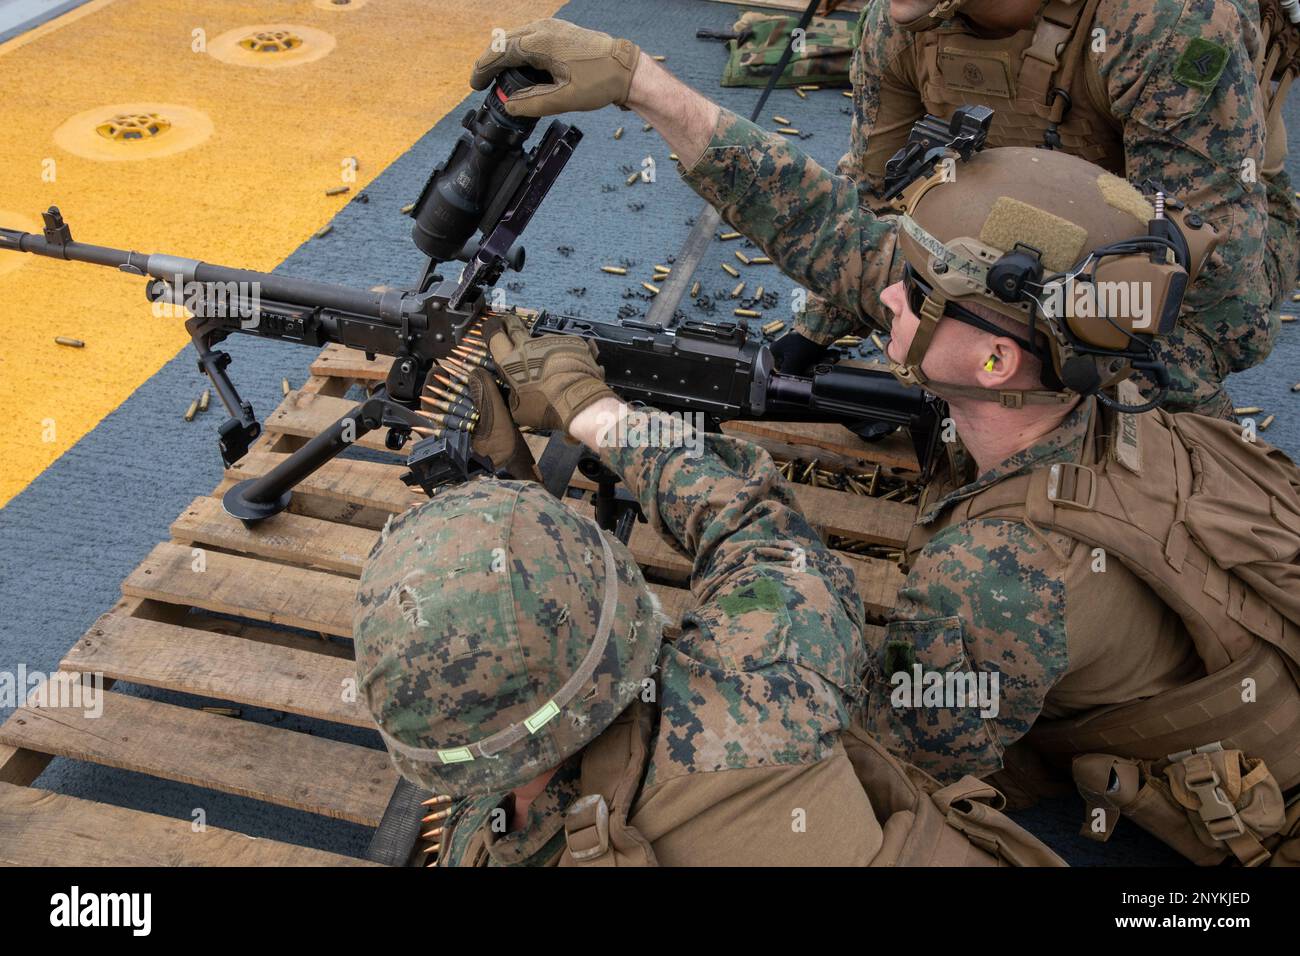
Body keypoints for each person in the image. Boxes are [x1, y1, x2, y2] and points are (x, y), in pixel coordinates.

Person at [467, 18, 1300, 865]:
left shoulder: (992, 585)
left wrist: (607, 427)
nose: (883, 296)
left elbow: (841, 748)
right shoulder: (1103, 376)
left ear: (993, 357)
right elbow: (841, 241)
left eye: (915, 288)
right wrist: (641, 79)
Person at [352, 317, 1064, 867]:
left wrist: (496, 492)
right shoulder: (762, 685)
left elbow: (508, 744)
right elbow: (756, 532)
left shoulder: (480, 844)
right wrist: (594, 412)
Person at [777, 0, 1300, 420]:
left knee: (1135, 404)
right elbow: (872, 198)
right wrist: (814, 333)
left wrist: (1027, 343)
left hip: (1186, 267)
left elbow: (1207, 268)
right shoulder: (901, 22)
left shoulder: (1166, 21)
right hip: (1006, 247)